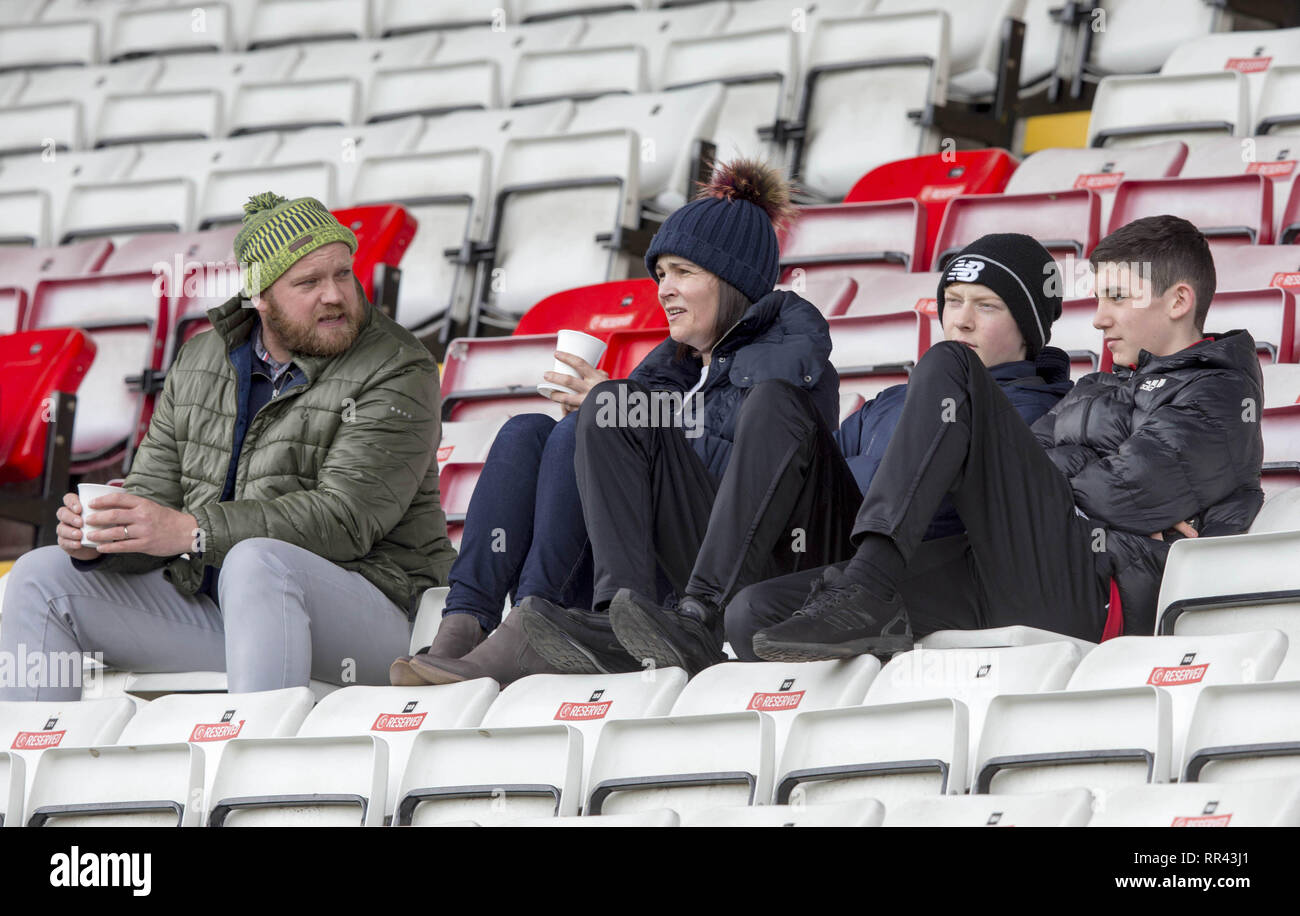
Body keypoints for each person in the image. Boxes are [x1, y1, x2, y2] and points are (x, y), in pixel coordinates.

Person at [748, 214, 1264, 662]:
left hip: (1090, 593)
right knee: (760, 610)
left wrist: (1068, 483)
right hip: (1008, 566)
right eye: (1100, 297)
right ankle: (849, 608)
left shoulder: (1219, 389)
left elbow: (1124, 490)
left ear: (1178, 300)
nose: (1100, 317)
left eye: (1118, 297)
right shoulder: (1094, 387)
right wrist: (1080, 480)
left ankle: (866, 585)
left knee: (952, 363)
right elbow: (1048, 468)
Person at [0, 193, 454, 699]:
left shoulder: (398, 367)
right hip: (226, 611)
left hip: (380, 615)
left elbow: (345, 519)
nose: (335, 295)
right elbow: (155, 498)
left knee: (256, 561)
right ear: (258, 295)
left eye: (343, 274)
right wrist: (105, 537)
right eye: (308, 282)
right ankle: (39, 765)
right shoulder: (201, 359)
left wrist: (192, 533)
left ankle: (257, 772)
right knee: (40, 575)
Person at [514, 158, 851, 678]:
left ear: (733, 280)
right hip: (684, 563)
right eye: (660, 274)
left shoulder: (788, 360)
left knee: (613, 406)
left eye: (683, 272)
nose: (663, 289)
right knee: (568, 423)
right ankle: (611, 618)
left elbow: (751, 479)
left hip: (765, 567)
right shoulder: (671, 370)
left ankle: (670, 617)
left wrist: (641, 421)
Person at [721, 233, 1074, 660]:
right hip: (866, 560)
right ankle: (697, 610)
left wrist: (864, 476)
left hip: (960, 577)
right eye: (954, 299)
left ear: (1027, 326)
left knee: (947, 364)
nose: (961, 320)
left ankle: (867, 598)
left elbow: (938, 505)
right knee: (750, 613)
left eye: (987, 306)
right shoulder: (890, 401)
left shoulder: (1043, 410)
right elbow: (814, 479)